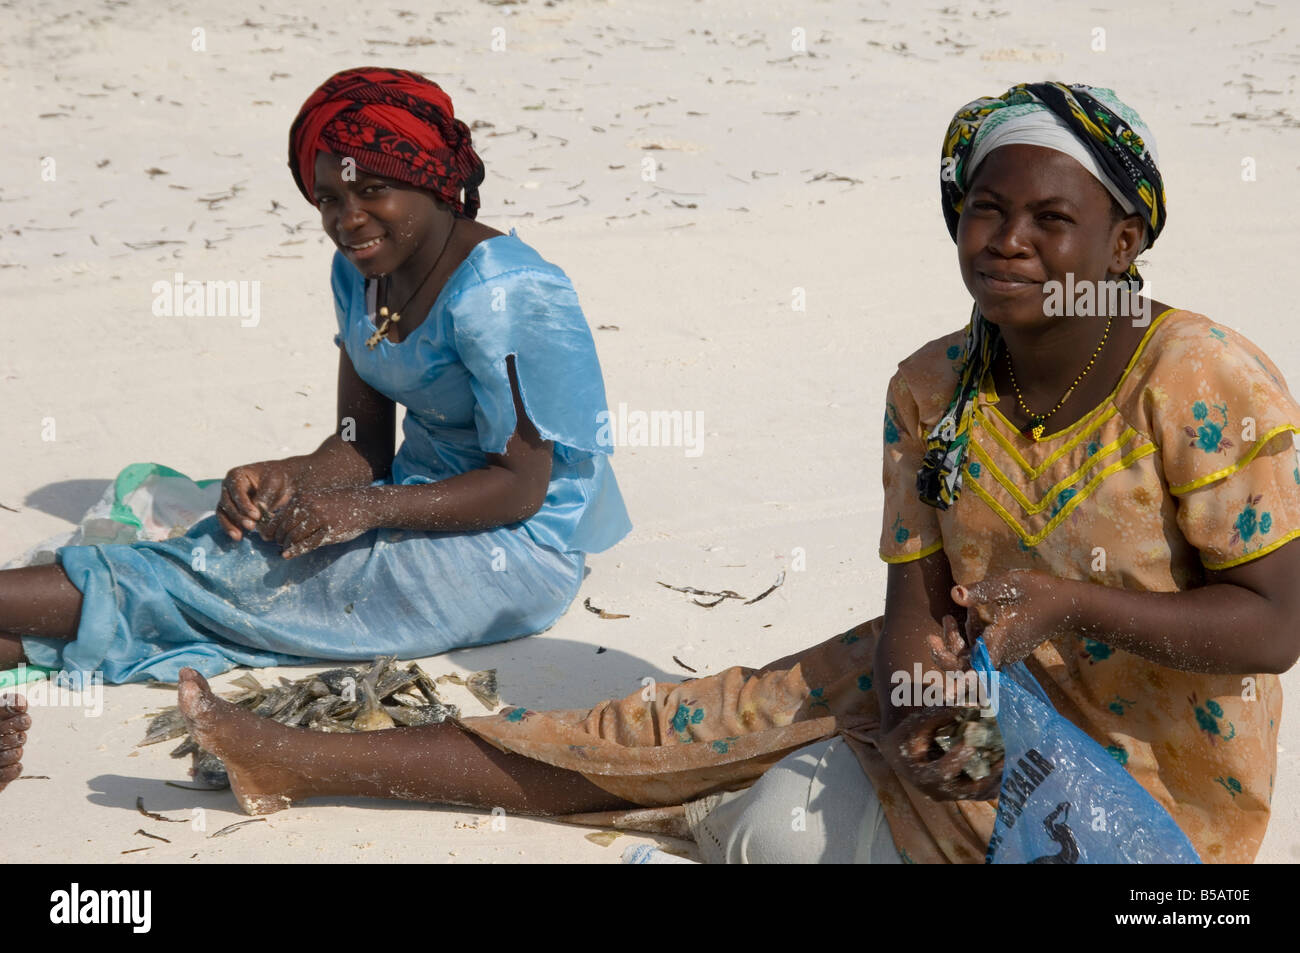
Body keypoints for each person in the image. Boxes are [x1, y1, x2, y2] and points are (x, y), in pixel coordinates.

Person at [10, 82, 1299, 863]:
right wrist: (918, 688)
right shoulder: (934, 383)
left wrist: (1068, 609)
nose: (1004, 240)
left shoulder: (1201, 379)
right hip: (970, 704)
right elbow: (917, 586)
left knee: (761, 814)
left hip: (1154, 785)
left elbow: (1275, 626)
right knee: (660, 725)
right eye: (981, 210)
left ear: (1123, 236)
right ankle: (301, 759)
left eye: (1047, 219)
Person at [0, 68, 632, 792]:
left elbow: (522, 488)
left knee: (226, 577)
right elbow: (360, 444)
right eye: (328, 198)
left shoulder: (507, 294)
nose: (348, 219)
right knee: (235, 554)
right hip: (419, 501)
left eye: (371, 192)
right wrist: (288, 475)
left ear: (430, 182)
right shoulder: (362, 274)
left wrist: (365, 510)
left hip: (516, 551)